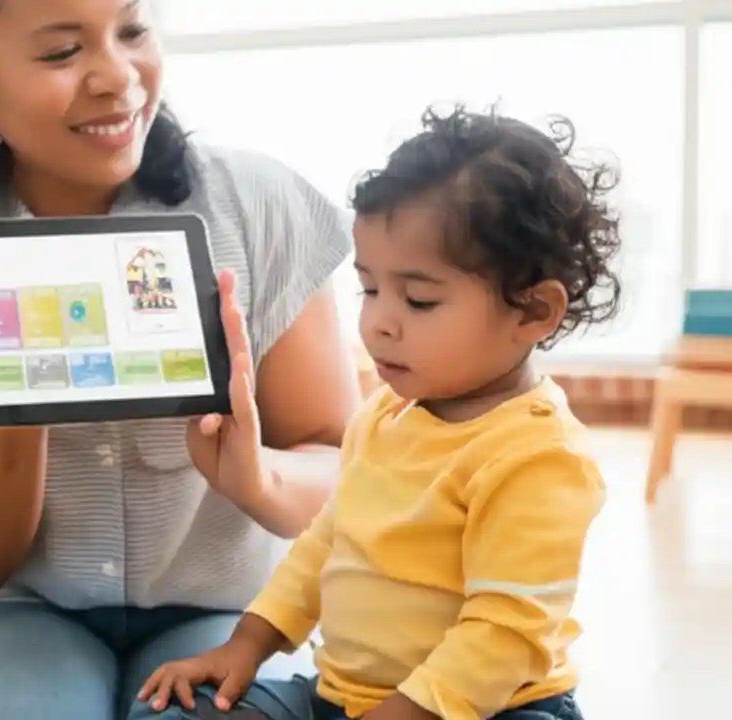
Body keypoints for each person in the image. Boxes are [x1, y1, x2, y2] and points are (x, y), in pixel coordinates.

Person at [0, 0, 361, 718]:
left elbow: (343, 466)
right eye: (62, 52)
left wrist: (260, 475)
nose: (118, 78)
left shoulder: (257, 208)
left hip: (227, 613)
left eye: (132, 30)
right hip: (18, 616)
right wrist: (11, 418)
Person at [139, 106, 621, 720]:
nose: (379, 323)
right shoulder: (386, 415)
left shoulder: (540, 458)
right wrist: (249, 644)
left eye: (418, 299)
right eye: (370, 289)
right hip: (341, 699)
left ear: (533, 311)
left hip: (486, 708)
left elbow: (506, 637)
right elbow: (326, 544)